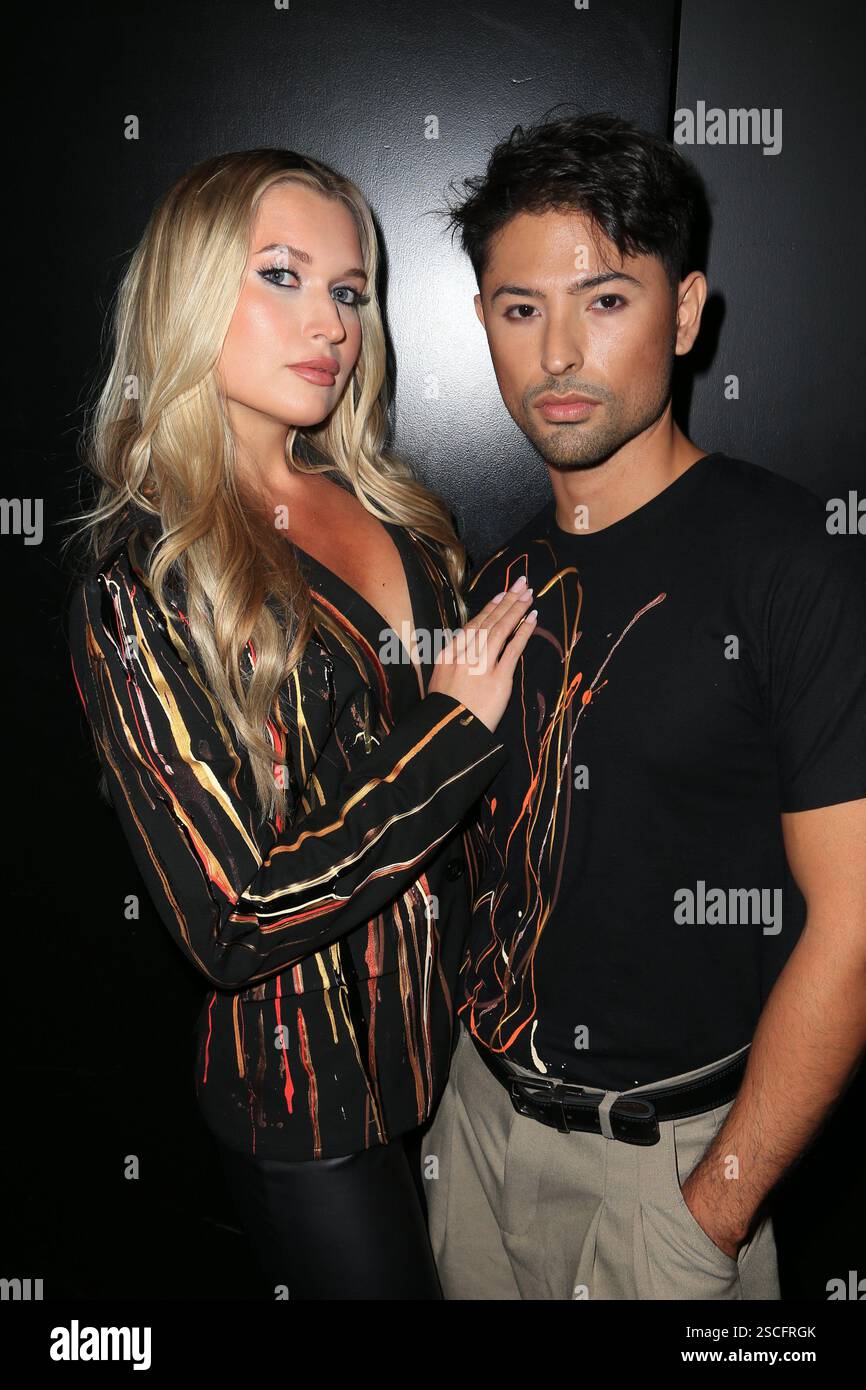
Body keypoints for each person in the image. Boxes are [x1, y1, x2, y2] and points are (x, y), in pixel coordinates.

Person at [64, 148, 538, 1299]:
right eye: (280, 275)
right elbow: (229, 916)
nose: (327, 321)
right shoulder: (142, 581)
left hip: (462, 1063)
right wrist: (456, 729)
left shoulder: (400, 513)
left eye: (348, 289)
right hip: (306, 1101)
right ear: (189, 294)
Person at [421, 112, 866, 1300]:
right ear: (484, 327)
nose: (558, 349)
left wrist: (711, 1212)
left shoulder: (790, 562)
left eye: (604, 300)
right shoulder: (492, 577)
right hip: (474, 1133)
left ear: (683, 312)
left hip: (662, 1177)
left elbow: (858, 925)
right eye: (520, 309)